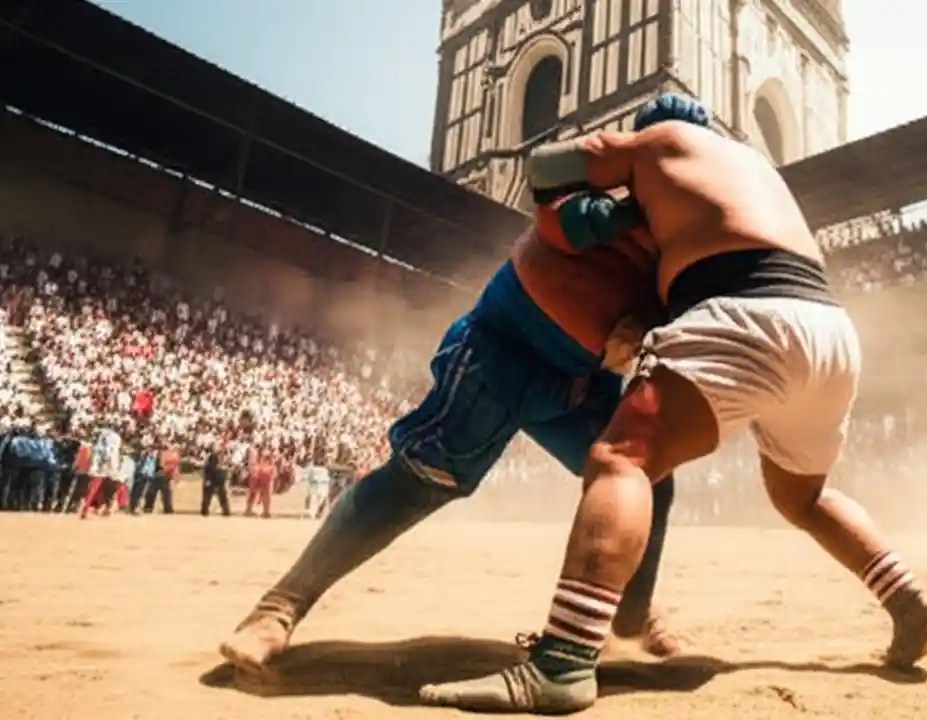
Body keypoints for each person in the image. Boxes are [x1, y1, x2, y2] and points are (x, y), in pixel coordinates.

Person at [421, 93, 927, 714]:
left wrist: (608, 204)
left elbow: (545, 167)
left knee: (622, 458)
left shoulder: (657, 146)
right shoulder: (755, 168)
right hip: (830, 332)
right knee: (802, 496)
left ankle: (562, 663)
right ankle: (907, 599)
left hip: (749, 314)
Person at [218, 179, 681, 679]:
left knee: (649, 476)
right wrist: (610, 215)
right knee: (421, 477)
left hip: (580, 383)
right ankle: (279, 607)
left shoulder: (690, 240)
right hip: (497, 356)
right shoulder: (601, 186)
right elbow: (550, 198)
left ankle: (634, 610)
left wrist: (652, 319)